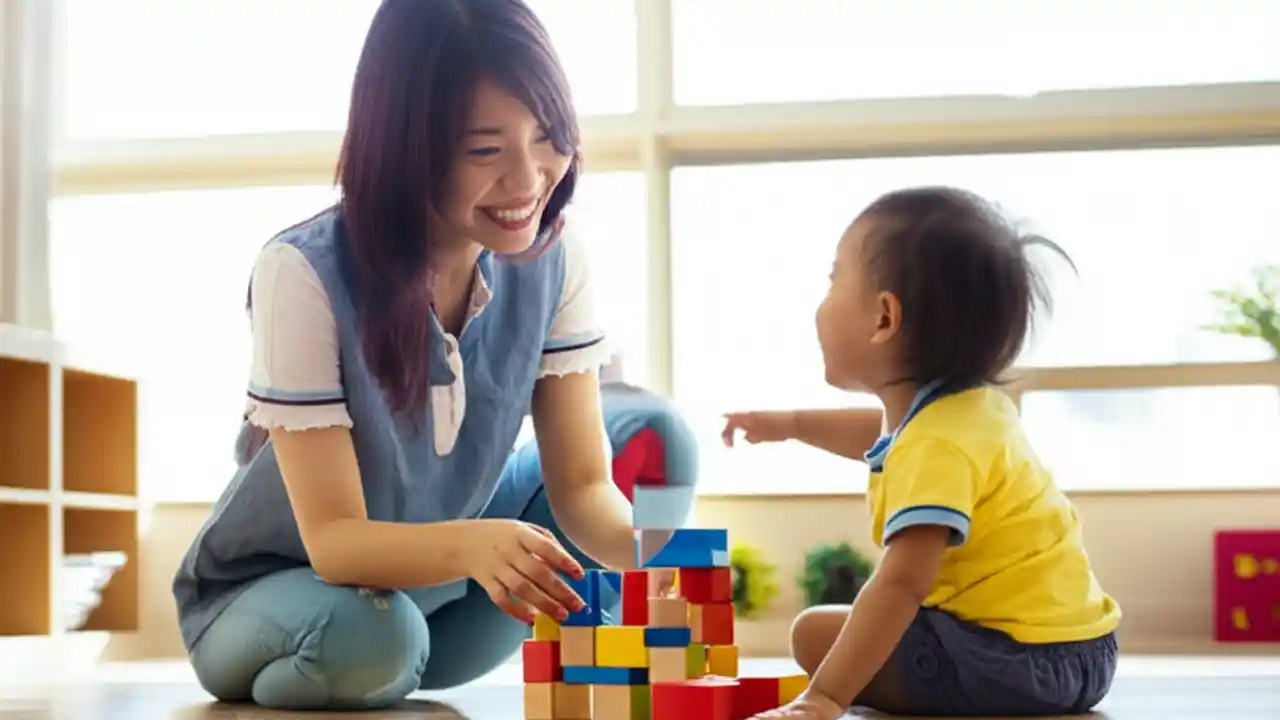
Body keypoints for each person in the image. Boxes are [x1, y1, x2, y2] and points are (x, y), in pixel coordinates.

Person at [171, 0, 694, 711]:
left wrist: (653, 557)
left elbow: (580, 483)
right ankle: (361, 665)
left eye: (549, 137)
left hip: (443, 611)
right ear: (404, 142)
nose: (528, 181)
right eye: (485, 150)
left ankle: (414, 656)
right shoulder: (303, 272)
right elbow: (332, 541)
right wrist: (478, 547)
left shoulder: (556, 256)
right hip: (282, 590)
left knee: (656, 437)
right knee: (373, 643)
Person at [722, 187, 1121, 718]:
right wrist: (792, 425)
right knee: (835, 631)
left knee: (815, 636)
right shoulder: (967, 413)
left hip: (1014, 664)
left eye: (834, 278)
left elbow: (903, 581)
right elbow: (884, 437)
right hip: (1086, 651)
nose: (822, 300)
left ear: (884, 318)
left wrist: (823, 698)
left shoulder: (935, 444)